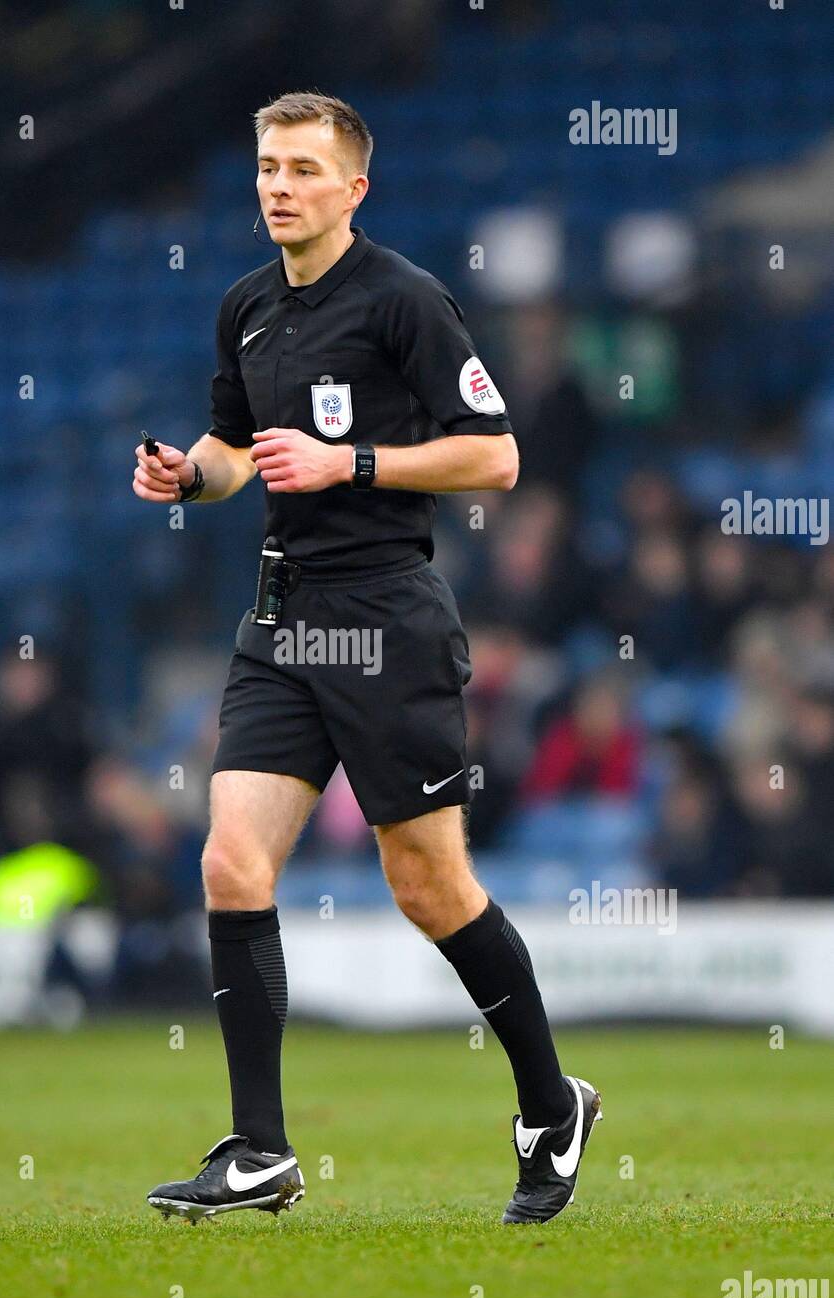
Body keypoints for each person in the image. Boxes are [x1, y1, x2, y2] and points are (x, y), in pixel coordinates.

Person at [132, 92, 601, 1226]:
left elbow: (493, 460)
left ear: (353, 189)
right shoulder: (245, 305)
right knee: (231, 866)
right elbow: (238, 447)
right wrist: (189, 476)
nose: (277, 185)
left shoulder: (404, 299)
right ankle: (260, 1150)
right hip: (283, 622)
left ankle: (550, 1101)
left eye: (301, 167)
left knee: (426, 885)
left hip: (387, 618)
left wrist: (351, 466)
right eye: (264, 167)